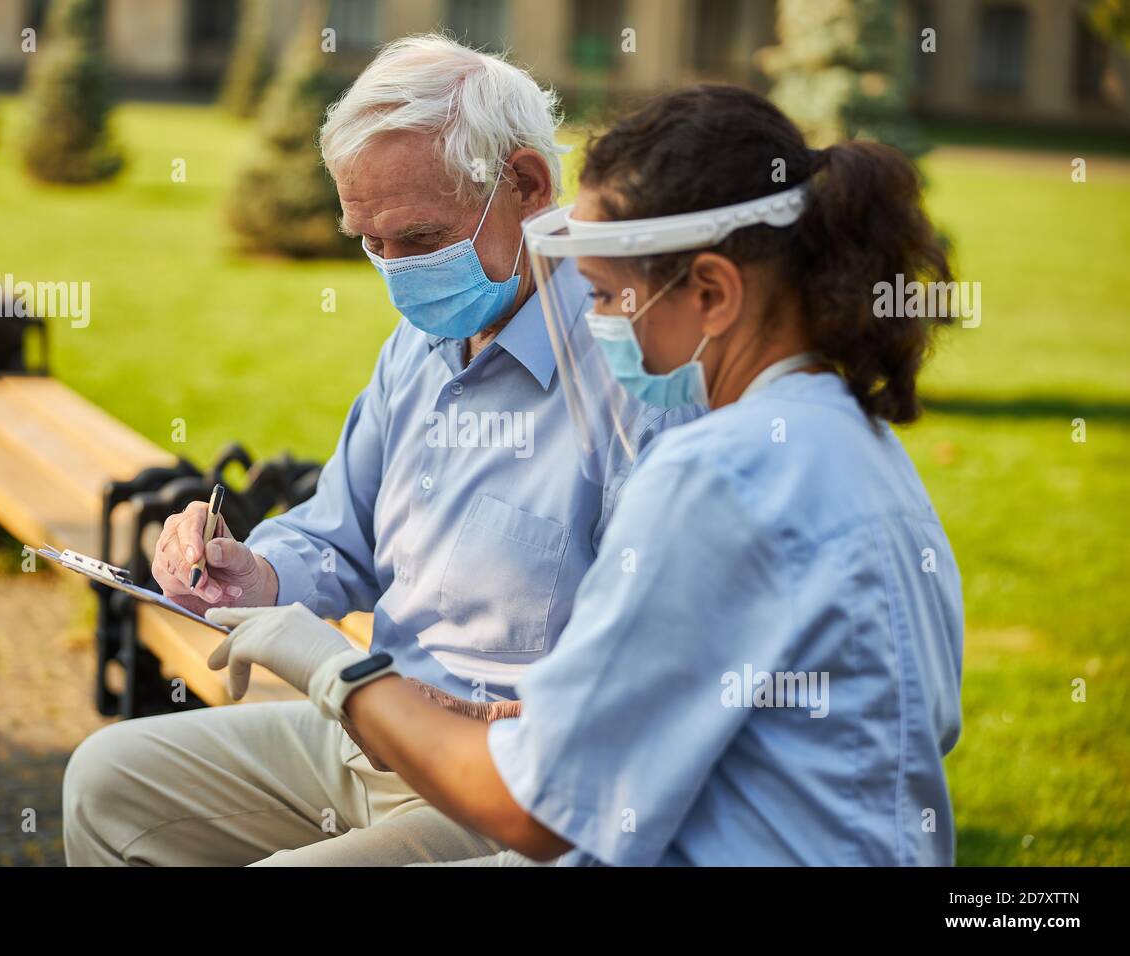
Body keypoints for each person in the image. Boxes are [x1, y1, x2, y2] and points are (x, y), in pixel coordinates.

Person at [203, 84, 966, 866]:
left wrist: (340, 671)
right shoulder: (859, 446)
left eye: (602, 294)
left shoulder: (714, 479)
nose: (593, 326)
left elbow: (540, 808)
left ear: (711, 293)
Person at [63, 36, 687, 867]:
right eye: (370, 243)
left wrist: (448, 714)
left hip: (515, 781)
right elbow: (339, 532)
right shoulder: (425, 340)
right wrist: (251, 571)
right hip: (369, 731)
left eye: (419, 238)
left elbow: (650, 671)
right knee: (106, 780)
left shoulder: (630, 369)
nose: (396, 275)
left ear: (530, 186)